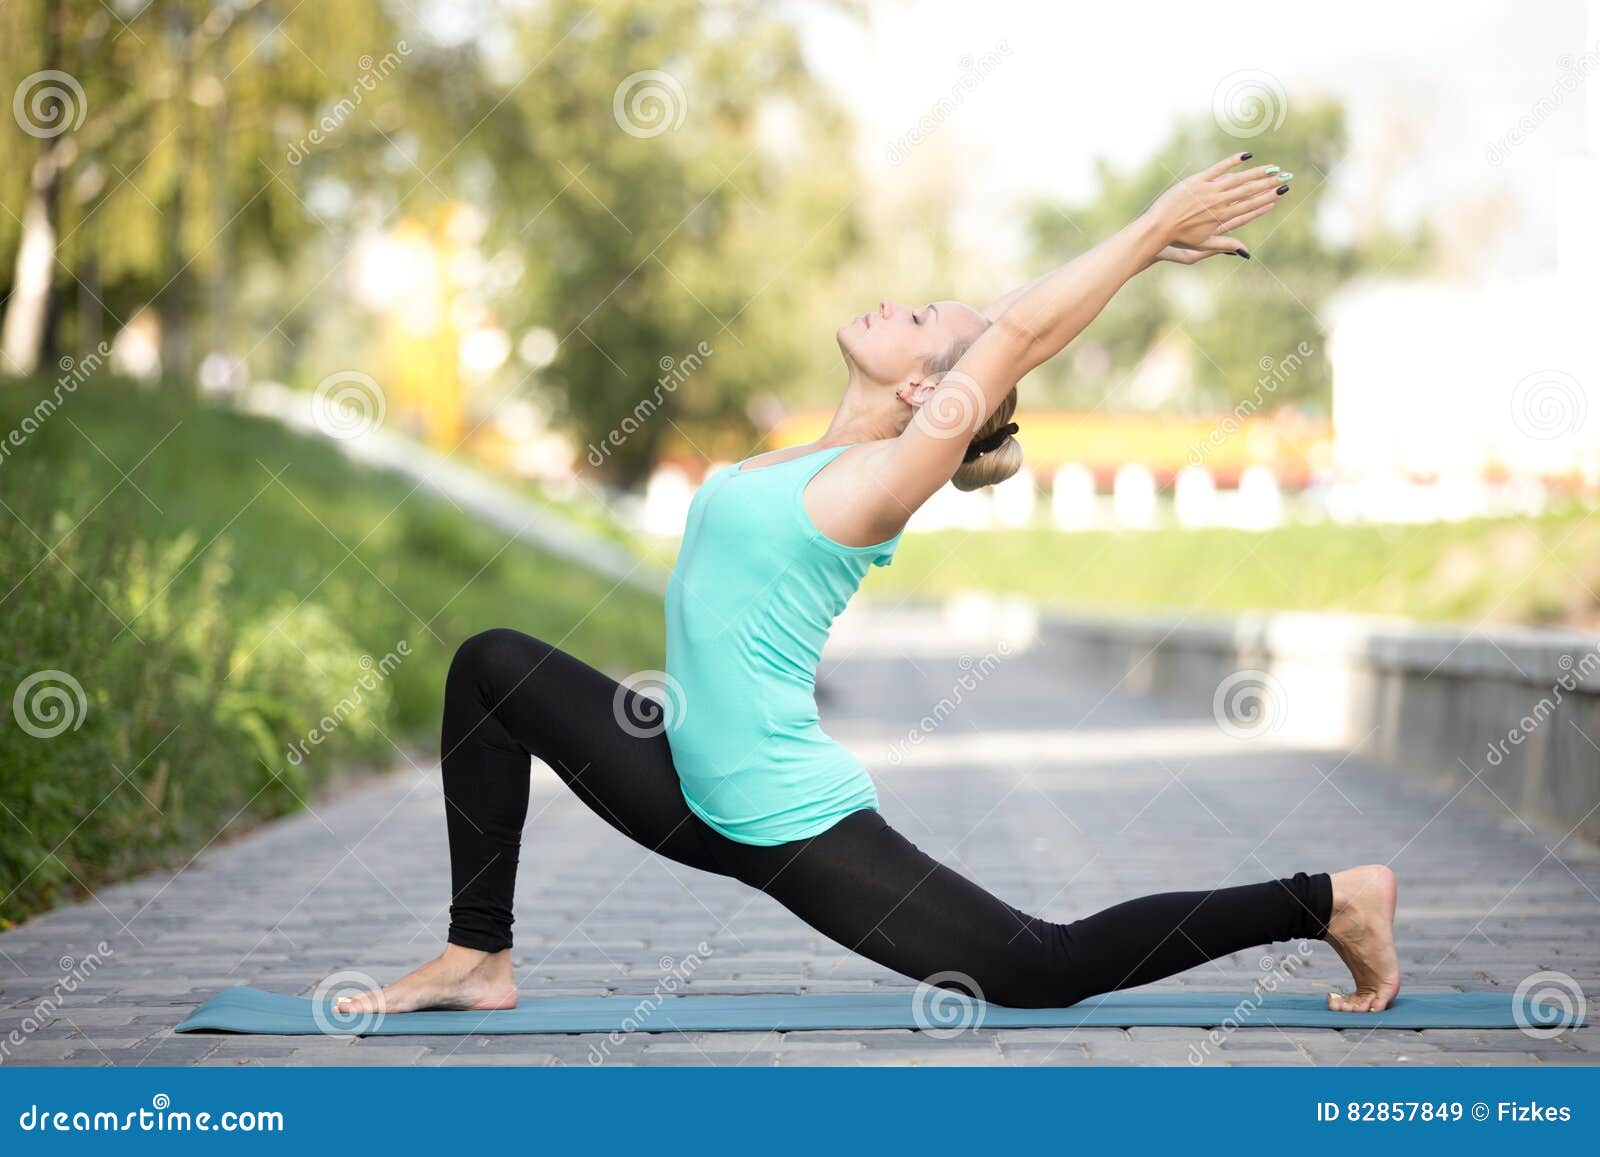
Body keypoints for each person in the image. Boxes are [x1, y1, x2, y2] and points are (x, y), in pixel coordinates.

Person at [341, 152, 1399, 1018]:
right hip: (679, 775)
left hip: (774, 811)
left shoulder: (874, 486)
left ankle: (1330, 899)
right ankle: (478, 955)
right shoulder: (805, 456)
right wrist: (1140, 245)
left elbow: (1015, 336)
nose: (895, 301)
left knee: (1041, 965)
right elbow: (1007, 319)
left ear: (925, 389)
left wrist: (1146, 227)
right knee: (489, 665)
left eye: (918, 315)